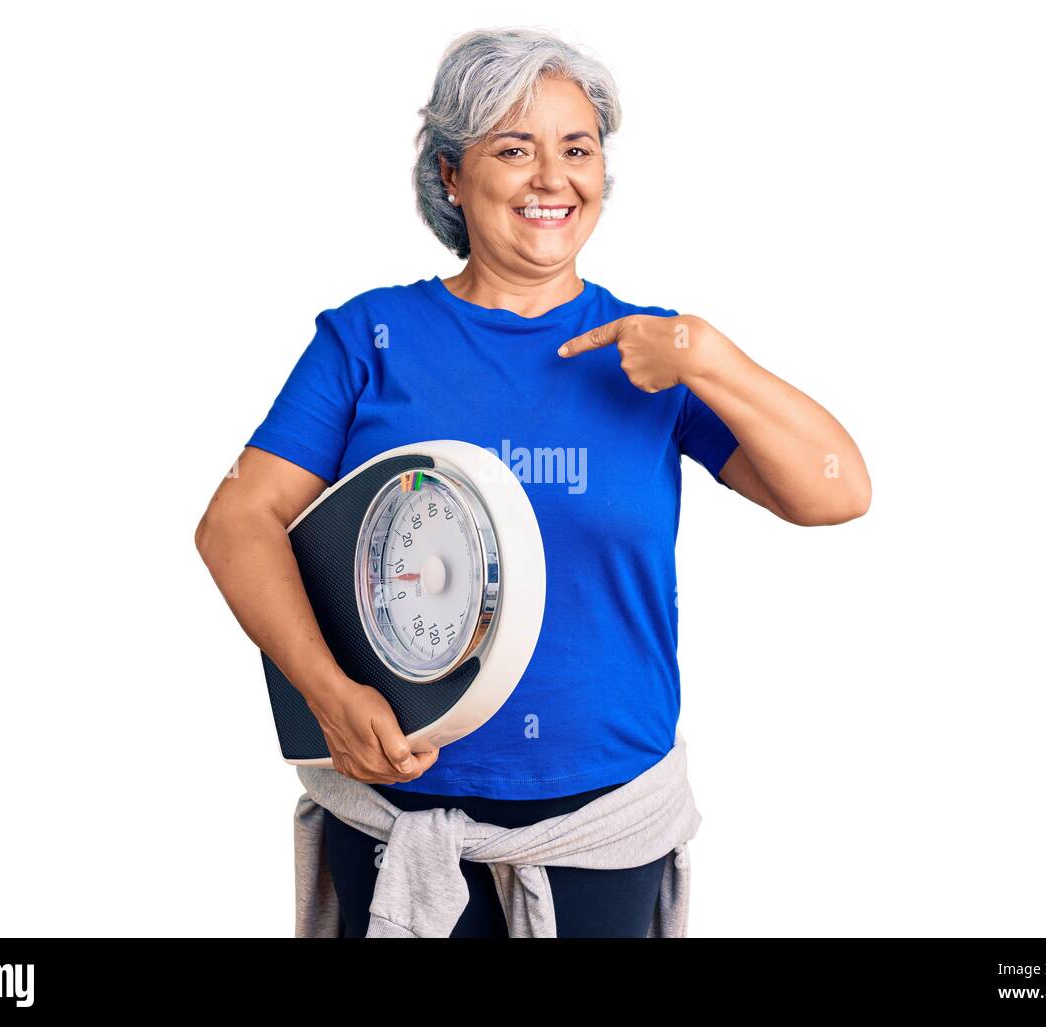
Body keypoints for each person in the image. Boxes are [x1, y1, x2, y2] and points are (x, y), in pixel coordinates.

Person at [195, 27, 871, 937]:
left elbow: (837, 489)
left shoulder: (654, 353)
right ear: (450, 175)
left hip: (605, 829)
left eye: (577, 149)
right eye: (514, 149)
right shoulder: (369, 338)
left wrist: (710, 356)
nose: (553, 178)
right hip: (395, 816)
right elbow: (236, 521)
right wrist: (325, 690)